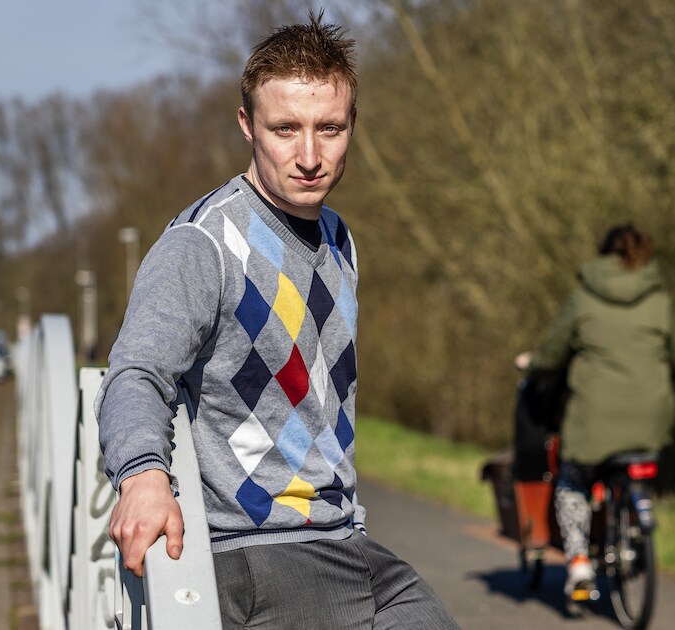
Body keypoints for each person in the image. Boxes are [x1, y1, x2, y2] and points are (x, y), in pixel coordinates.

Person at [95, 13, 459, 629]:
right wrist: (143, 477)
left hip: (347, 540)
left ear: (352, 125)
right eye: (285, 128)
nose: (310, 156)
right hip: (256, 549)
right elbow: (135, 373)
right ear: (247, 124)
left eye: (329, 129)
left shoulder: (339, 239)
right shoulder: (202, 245)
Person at [523, 224, 675, 599]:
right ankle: (632, 520)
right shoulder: (661, 301)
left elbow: (552, 355)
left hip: (593, 419)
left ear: (604, 253)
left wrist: (533, 367)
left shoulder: (584, 298)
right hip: (650, 417)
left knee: (572, 480)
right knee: (632, 462)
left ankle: (579, 562)